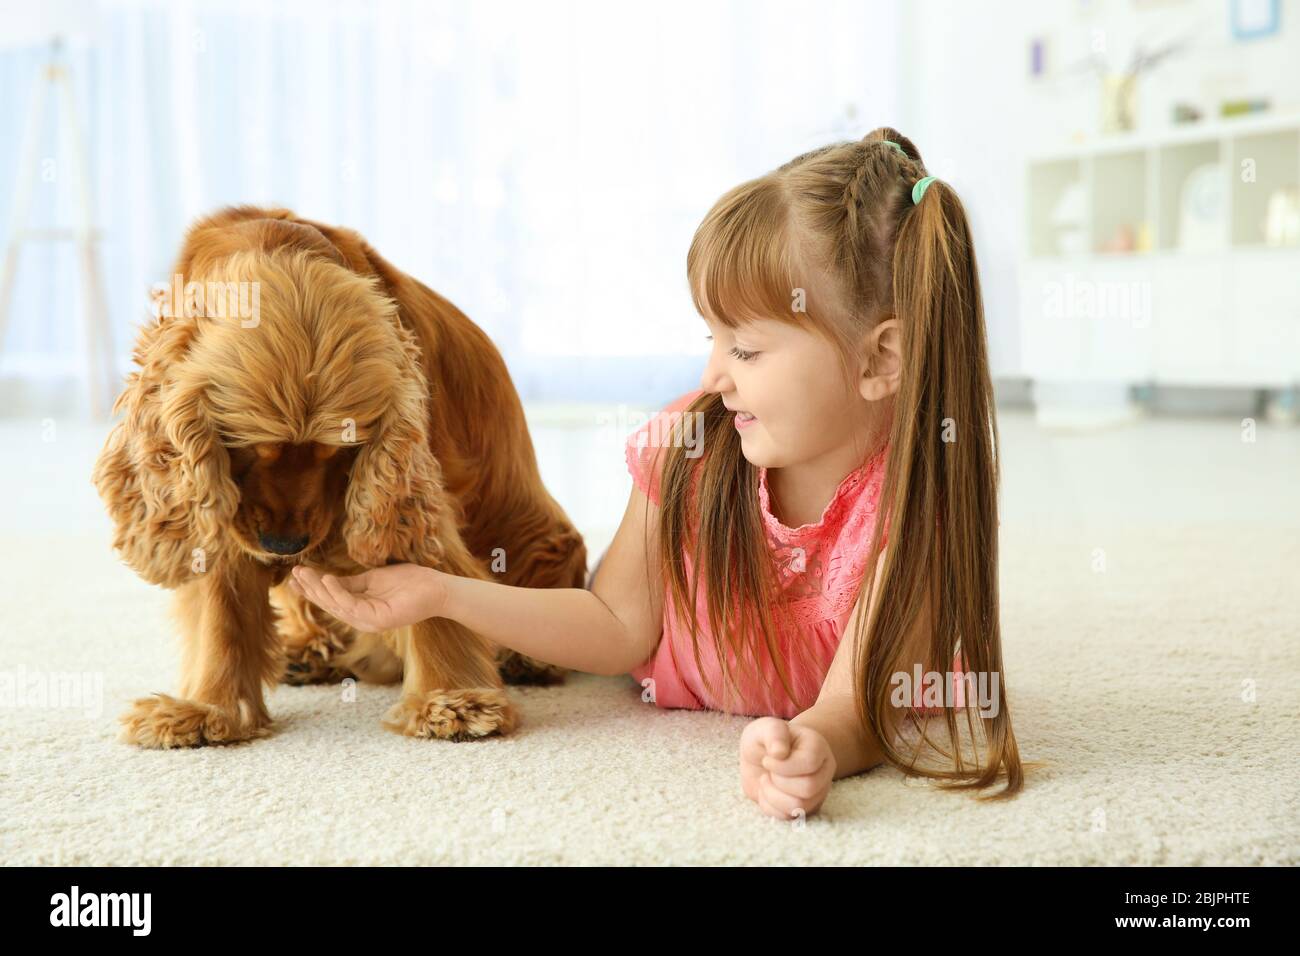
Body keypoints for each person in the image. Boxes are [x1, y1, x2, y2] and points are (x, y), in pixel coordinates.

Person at [290, 126, 1025, 820]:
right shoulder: (693, 448)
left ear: (879, 360)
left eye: (747, 350)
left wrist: (816, 747)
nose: (715, 374)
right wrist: (440, 593)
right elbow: (616, 627)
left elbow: (857, 706)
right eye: (713, 338)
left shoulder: (915, 503)